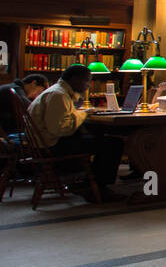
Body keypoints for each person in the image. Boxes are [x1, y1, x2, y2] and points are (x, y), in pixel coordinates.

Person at [28, 64, 124, 202]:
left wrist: (81, 114)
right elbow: (61, 129)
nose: (88, 86)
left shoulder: (58, 91)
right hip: (51, 146)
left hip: (45, 142)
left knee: (100, 138)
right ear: (74, 79)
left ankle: (86, 181)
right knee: (113, 143)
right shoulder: (58, 95)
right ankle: (99, 187)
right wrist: (82, 114)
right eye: (86, 81)